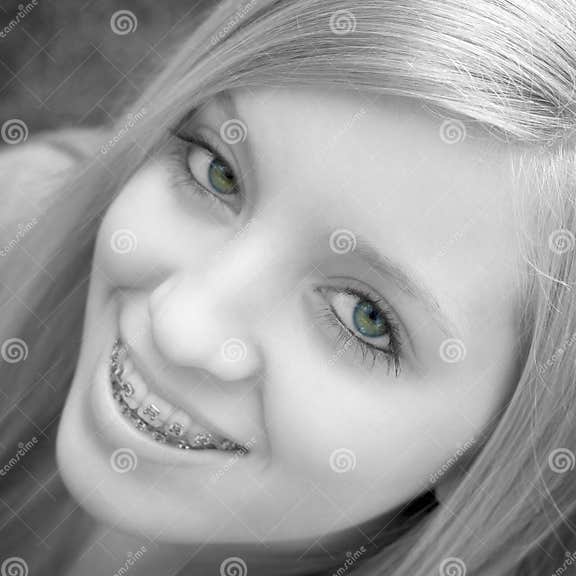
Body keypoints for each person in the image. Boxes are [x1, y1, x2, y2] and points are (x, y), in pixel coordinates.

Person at [1, 1, 576, 574]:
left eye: (364, 316)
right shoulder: (18, 217)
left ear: (493, 452)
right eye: (217, 171)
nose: (181, 325)